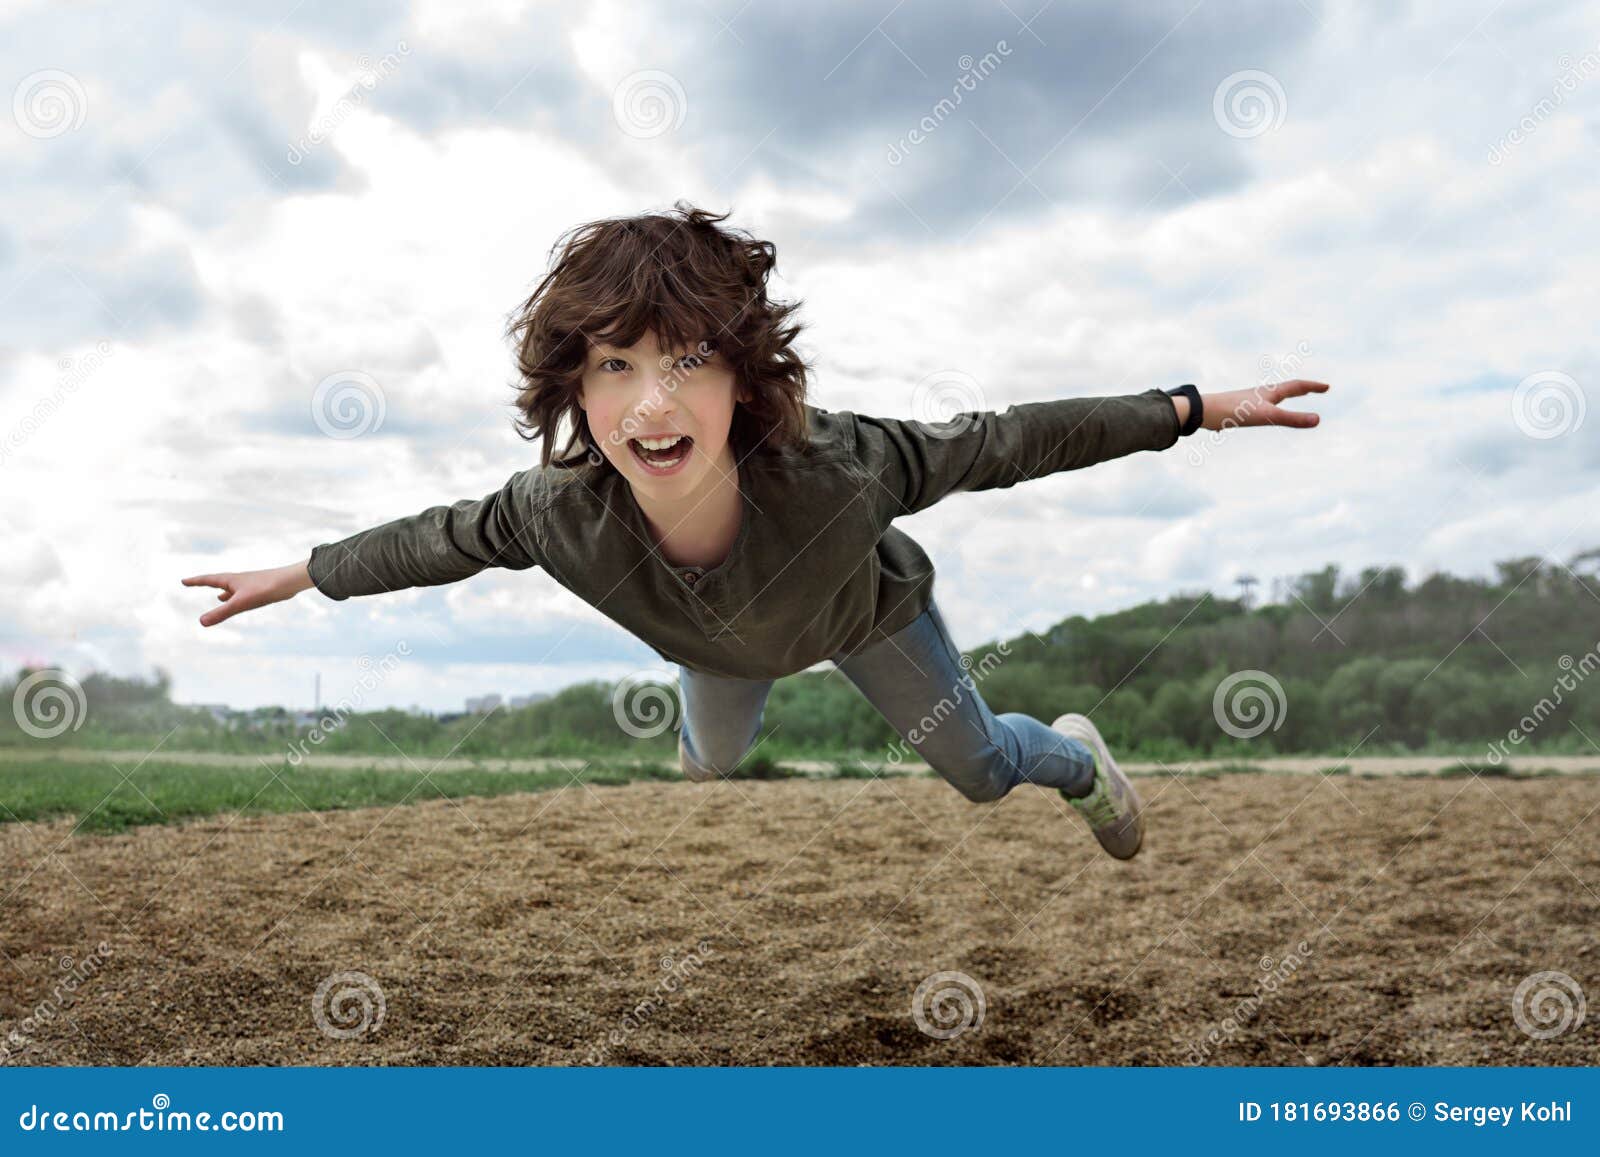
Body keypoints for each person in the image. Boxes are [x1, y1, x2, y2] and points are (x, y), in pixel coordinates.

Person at [182, 201, 1328, 861]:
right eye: (614, 368)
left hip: (862, 613)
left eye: (687, 361)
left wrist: (1189, 408)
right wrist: (298, 573)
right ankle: (704, 730)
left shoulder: (842, 469)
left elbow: (1009, 438)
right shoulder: (555, 514)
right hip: (718, 650)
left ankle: (1076, 757)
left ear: (743, 379)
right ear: (575, 397)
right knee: (713, 762)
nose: (651, 403)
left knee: (980, 773)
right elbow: (435, 536)